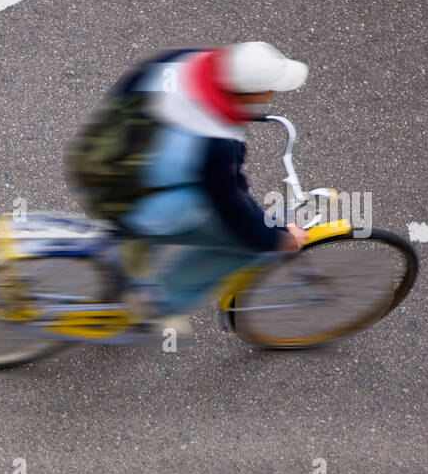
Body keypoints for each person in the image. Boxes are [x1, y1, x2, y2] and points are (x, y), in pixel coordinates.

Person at [65, 42, 311, 332]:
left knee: (168, 195)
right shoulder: (217, 141)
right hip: (127, 201)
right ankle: (156, 303)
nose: (272, 94)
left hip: (94, 162)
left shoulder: (179, 60)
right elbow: (232, 206)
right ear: (253, 93)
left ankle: (126, 261)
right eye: (270, 89)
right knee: (243, 243)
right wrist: (276, 238)